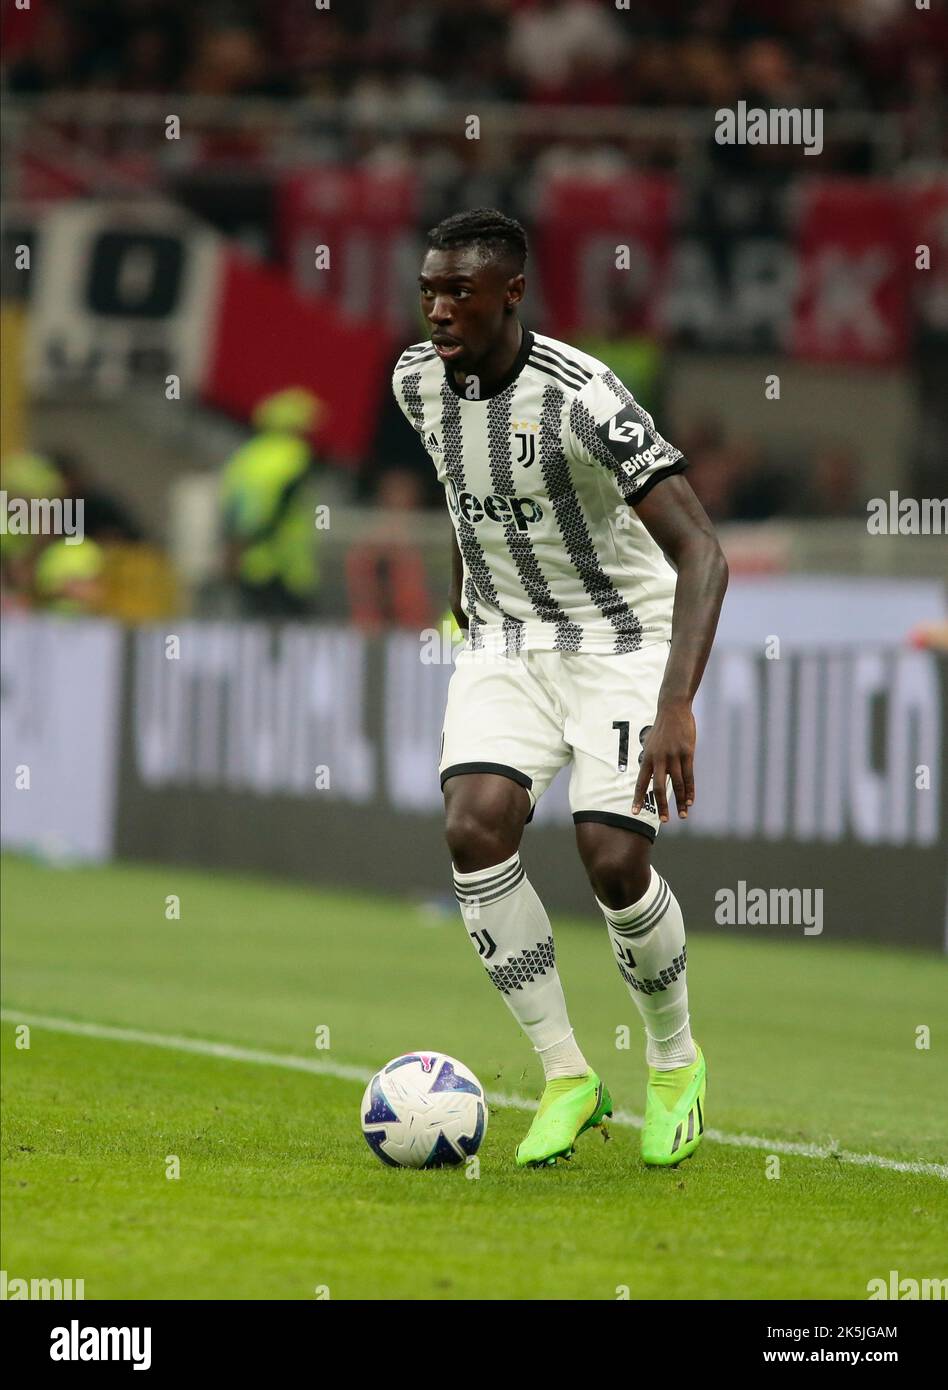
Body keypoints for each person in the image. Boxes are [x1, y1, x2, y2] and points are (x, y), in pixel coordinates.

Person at [392, 209, 728, 1169]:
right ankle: (568, 1074)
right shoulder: (415, 382)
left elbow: (701, 550)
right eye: (429, 290)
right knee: (473, 825)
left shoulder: (585, 399)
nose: (440, 309)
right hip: (504, 640)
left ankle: (673, 1061)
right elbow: (465, 491)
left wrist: (675, 704)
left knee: (612, 860)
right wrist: (467, 588)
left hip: (621, 641)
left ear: (513, 294)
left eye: (460, 291)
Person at [219, 388, 323, 618]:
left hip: (249, 561)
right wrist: (258, 537)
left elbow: (231, 507)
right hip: (286, 563)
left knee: (254, 632)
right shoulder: (295, 454)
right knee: (293, 636)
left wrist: (235, 546)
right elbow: (283, 505)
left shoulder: (245, 457)